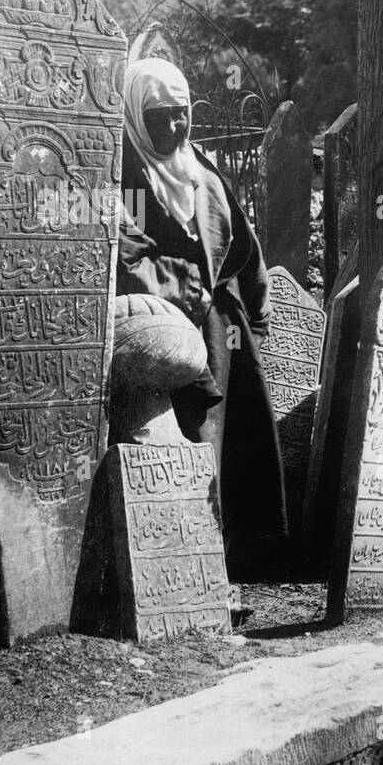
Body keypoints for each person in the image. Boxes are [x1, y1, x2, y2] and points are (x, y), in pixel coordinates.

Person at [117, 57, 287, 579]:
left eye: (181, 113)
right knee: (192, 439)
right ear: (134, 117)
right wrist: (192, 286)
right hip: (164, 329)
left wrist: (254, 313)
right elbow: (127, 259)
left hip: (225, 333)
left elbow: (245, 246)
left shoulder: (202, 172)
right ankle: (192, 569)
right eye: (158, 116)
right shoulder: (127, 177)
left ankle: (242, 561)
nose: (172, 127)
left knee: (239, 443)